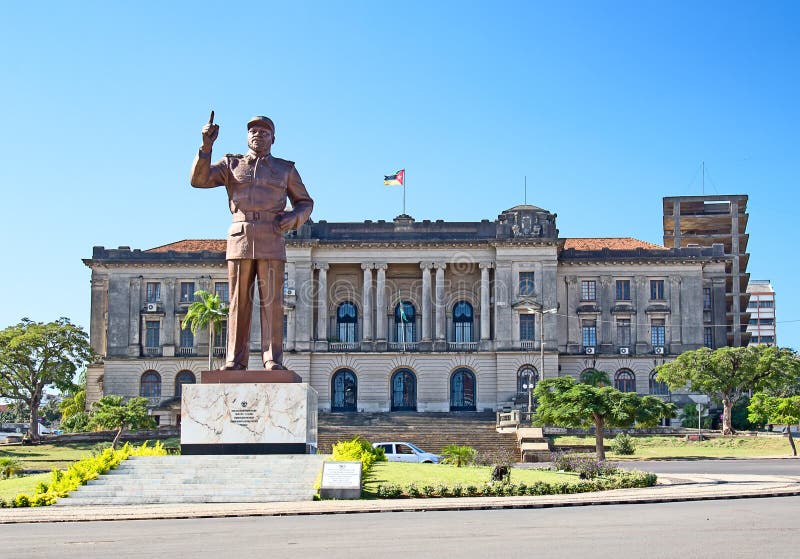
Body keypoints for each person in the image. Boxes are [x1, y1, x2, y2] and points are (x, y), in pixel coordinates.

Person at [190, 115, 313, 370]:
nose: (258, 134)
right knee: (238, 301)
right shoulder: (231, 164)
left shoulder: (285, 169)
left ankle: (271, 358)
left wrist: (293, 219)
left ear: (273, 139)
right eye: (253, 130)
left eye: (264, 131)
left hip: (272, 234)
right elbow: (198, 180)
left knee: (272, 302)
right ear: (247, 136)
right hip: (241, 235)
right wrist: (206, 147)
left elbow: (305, 202)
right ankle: (235, 360)